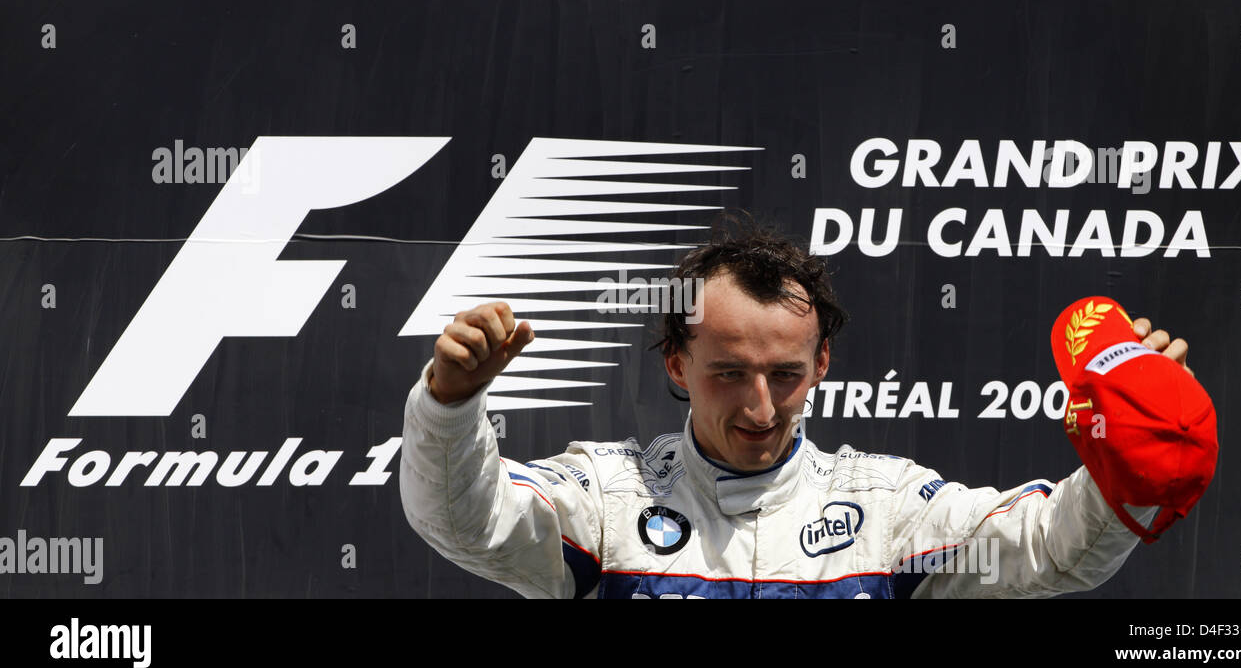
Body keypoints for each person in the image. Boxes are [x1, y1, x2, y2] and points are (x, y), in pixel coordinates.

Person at [399, 213, 1195, 599]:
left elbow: (1050, 551)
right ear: (676, 363)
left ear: (822, 362)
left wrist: (1128, 450)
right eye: (727, 372)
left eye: (785, 373)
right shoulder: (608, 497)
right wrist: (451, 402)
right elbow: (465, 521)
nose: (760, 405)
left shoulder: (885, 507)